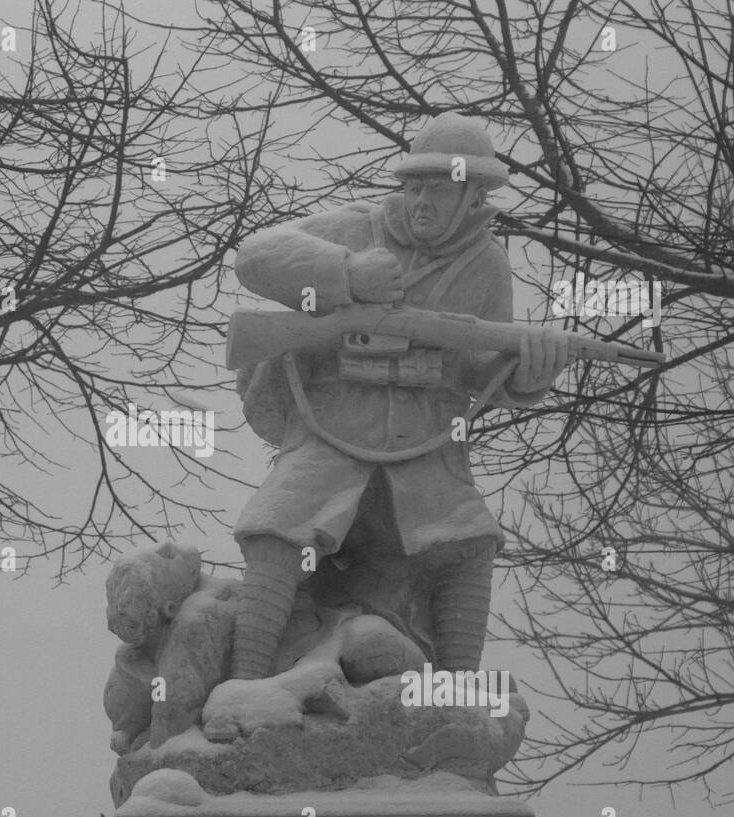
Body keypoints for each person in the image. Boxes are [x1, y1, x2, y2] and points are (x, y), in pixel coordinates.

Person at [230, 111, 568, 680]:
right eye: (414, 188)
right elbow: (256, 256)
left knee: (470, 544)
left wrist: (526, 376)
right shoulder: (354, 228)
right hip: (334, 421)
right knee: (276, 527)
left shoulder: (486, 264)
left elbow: (480, 367)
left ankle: (458, 701)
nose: (420, 203)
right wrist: (347, 273)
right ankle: (243, 685)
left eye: (438, 191)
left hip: (425, 438)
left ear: (474, 197)